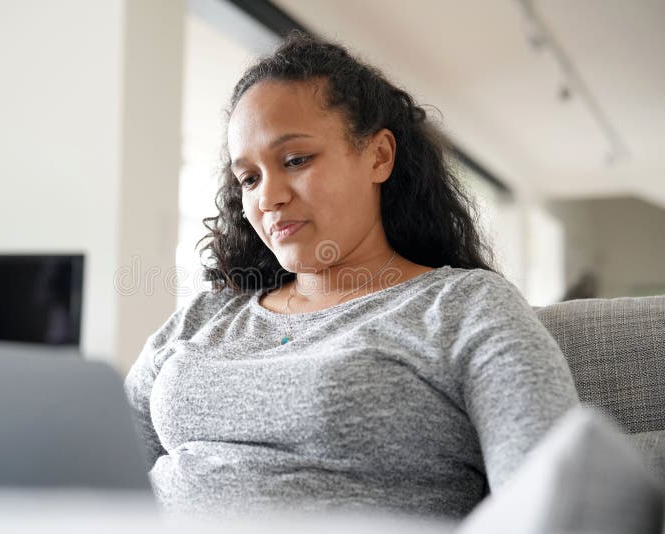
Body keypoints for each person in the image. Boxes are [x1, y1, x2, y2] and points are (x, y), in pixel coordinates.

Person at [125, 33, 578, 520]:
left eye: (296, 160)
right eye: (249, 178)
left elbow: (553, 498)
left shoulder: (463, 306)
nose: (268, 197)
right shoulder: (207, 316)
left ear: (379, 156)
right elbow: (93, 464)